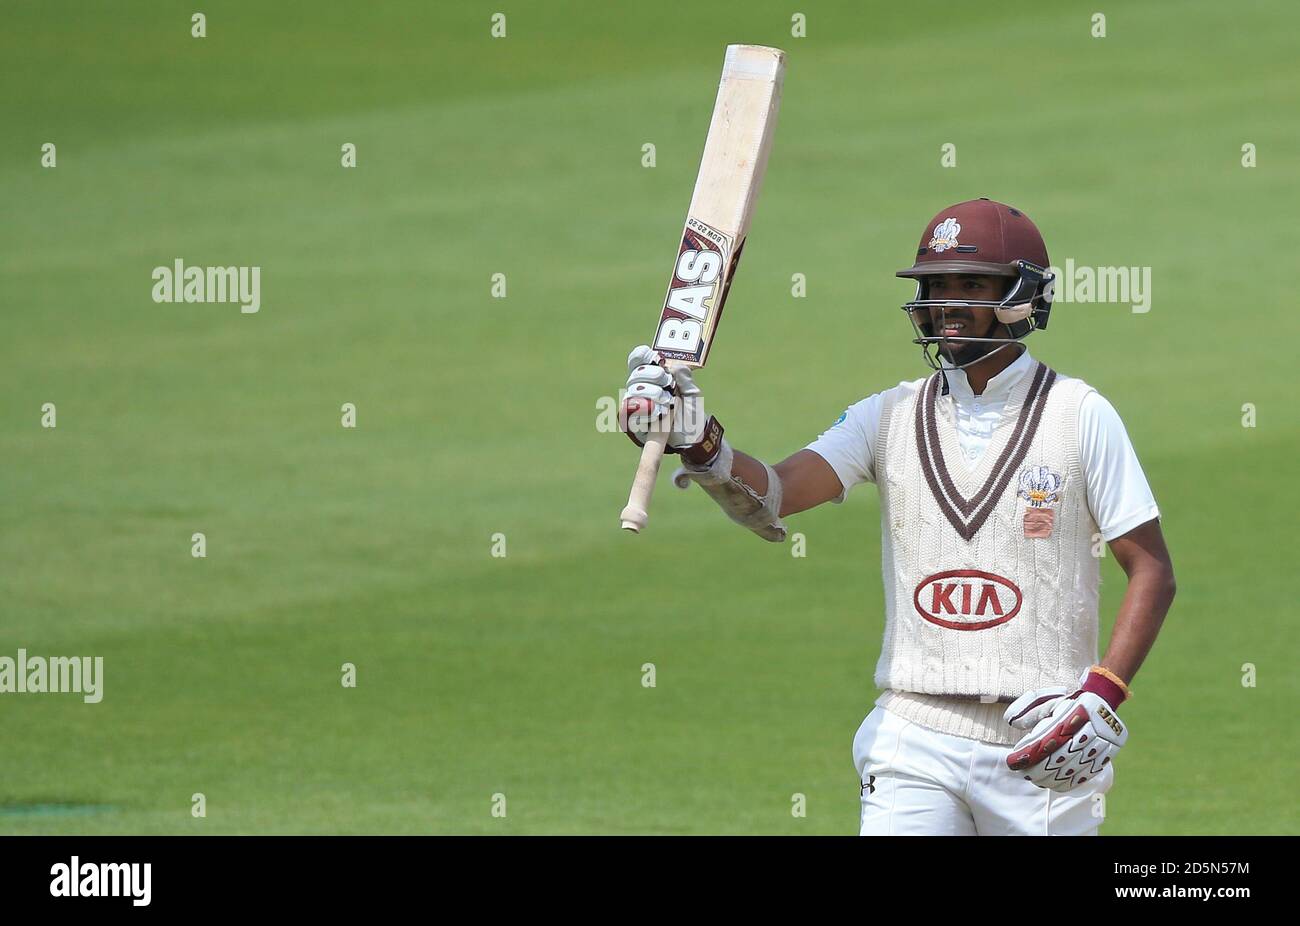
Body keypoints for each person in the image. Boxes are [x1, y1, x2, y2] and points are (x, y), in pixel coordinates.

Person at [619, 198, 1176, 836]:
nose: (948, 302)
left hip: (1040, 739)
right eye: (937, 285)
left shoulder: (1081, 415)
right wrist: (700, 442)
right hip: (911, 735)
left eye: (973, 284)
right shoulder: (886, 414)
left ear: (1022, 297)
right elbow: (774, 492)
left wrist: (1102, 693)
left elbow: (1152, 569)